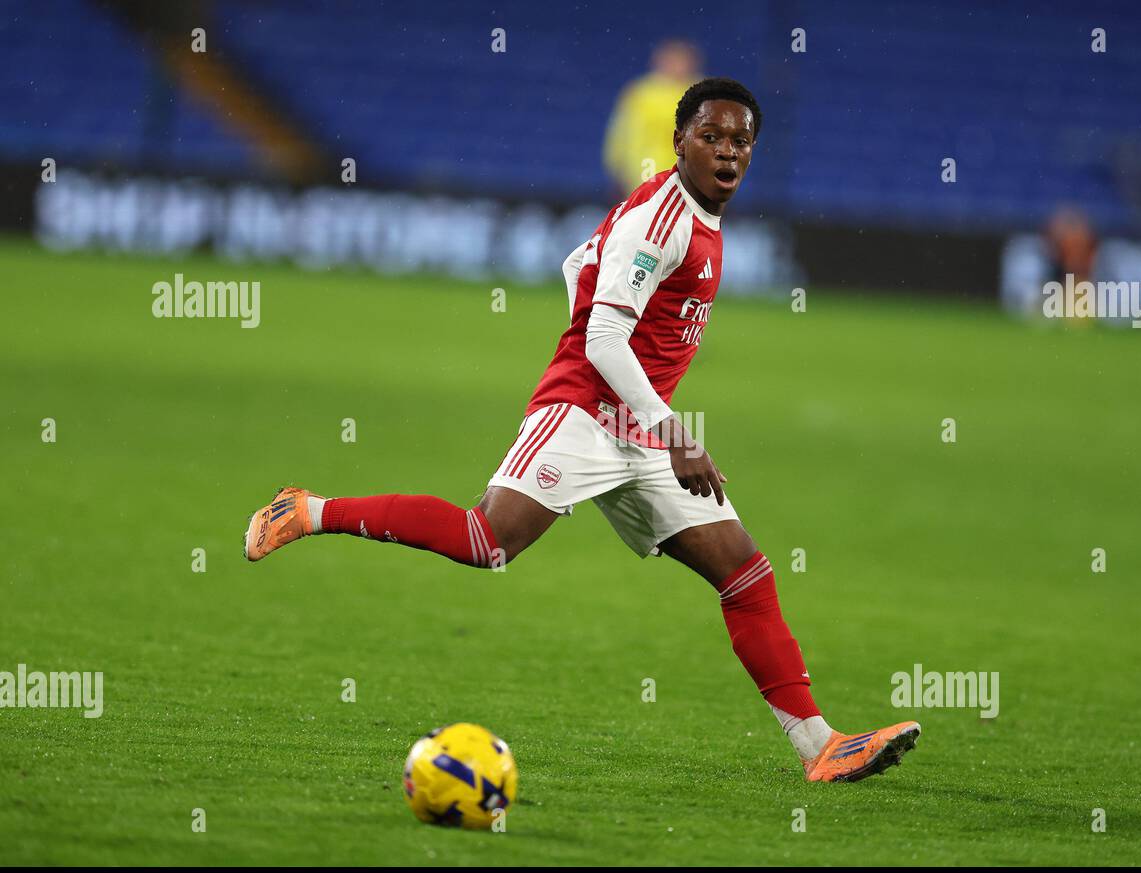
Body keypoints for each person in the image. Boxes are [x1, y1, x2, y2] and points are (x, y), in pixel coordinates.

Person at [244, 78, 920, 783]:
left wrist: (654, 420)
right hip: (585, 412)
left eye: (740, 140)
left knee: (744, 573)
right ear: (679, 141)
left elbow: (579, 264)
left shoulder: (687, 212)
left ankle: (820, 747)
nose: (726, 152)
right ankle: (311, 510)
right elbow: (601, 336)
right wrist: (674, 432)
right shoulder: (663, 223)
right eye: (711, 137)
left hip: (642, 428)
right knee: (487, 542)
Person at [602, 40, 701, 195]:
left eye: (681, 61)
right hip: (646, 167)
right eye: (672, 61)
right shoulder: (642, 94)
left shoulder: (703, 93)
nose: (676, 67)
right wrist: (617, 165)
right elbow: (622, 132)